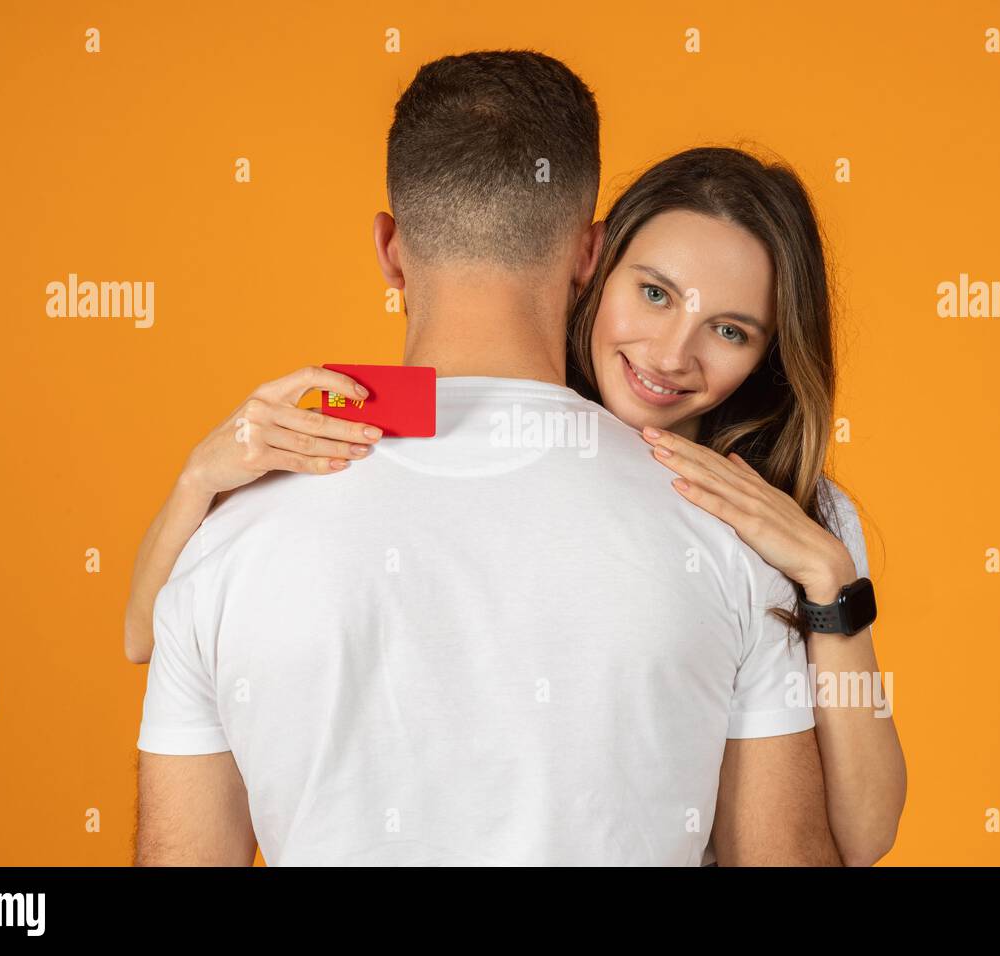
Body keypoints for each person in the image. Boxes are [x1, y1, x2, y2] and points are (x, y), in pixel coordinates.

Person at [133, 49, 857, 866]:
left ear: (389, 249)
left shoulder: (226, 545)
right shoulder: (724, 529)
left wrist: (204, 490)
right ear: (591, 256)